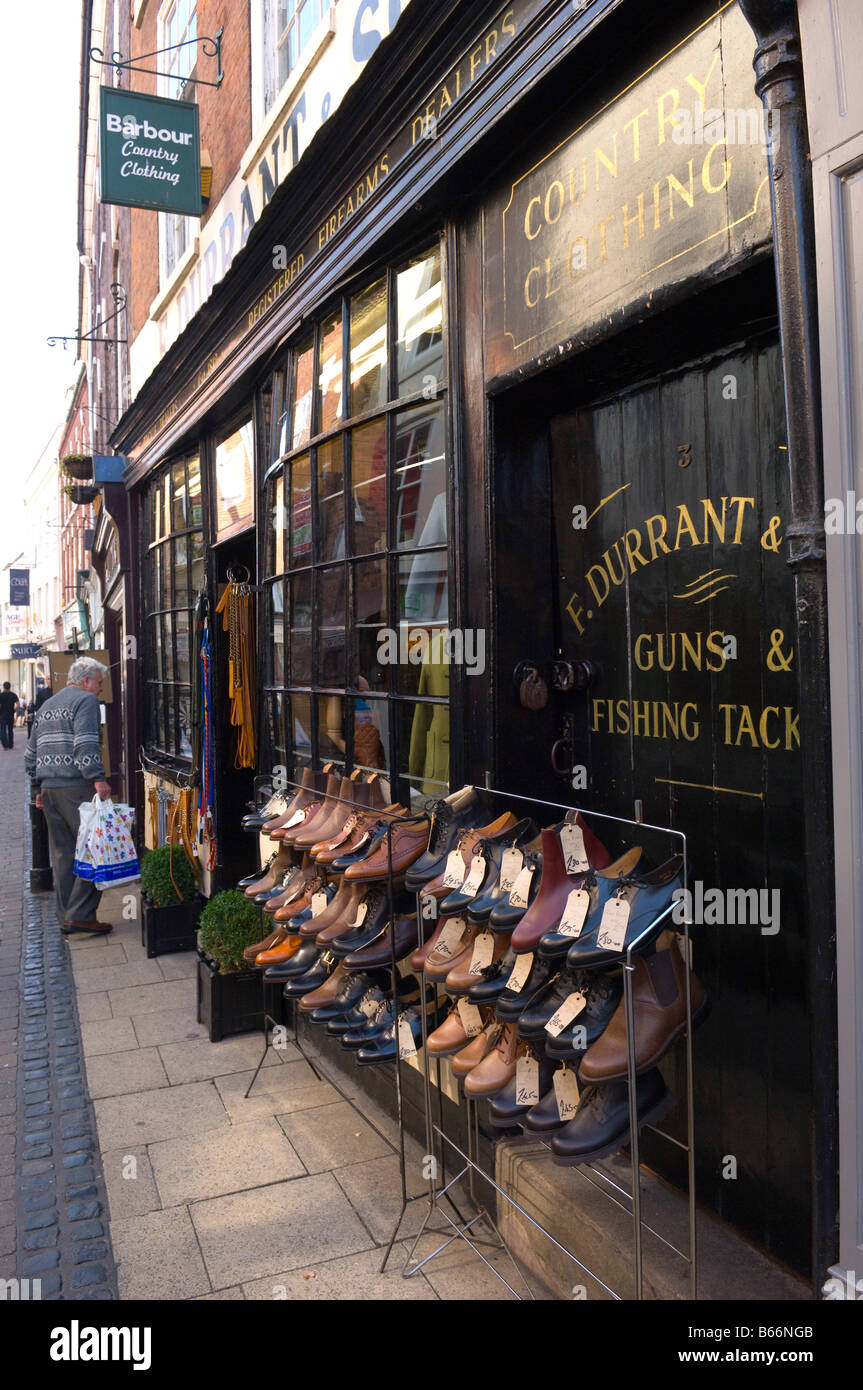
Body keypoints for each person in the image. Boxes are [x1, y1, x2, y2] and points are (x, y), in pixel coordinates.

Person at [24, 658, 113, 936]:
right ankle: (81, 915)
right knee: (97, 848)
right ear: (86, 681)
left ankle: (67, 917)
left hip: (49, 789)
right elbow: (85, 743)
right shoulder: (85, 702)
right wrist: (97, 777)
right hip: (75, 787)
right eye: (98, 683)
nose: (99, 689)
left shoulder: (48, 704)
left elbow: (30, 754)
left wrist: (38, 790)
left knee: (63, 854)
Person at [0, 681, 18, 750]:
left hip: (2, 714)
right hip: (10, 714)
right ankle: (11, 744)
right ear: (10, 687)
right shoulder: (13, 695)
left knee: (3, 730)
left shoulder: (1, 695)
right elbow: (18, 704)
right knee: (10, 730)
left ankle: (5, 745)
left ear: (3, 687)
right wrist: (14, 711)